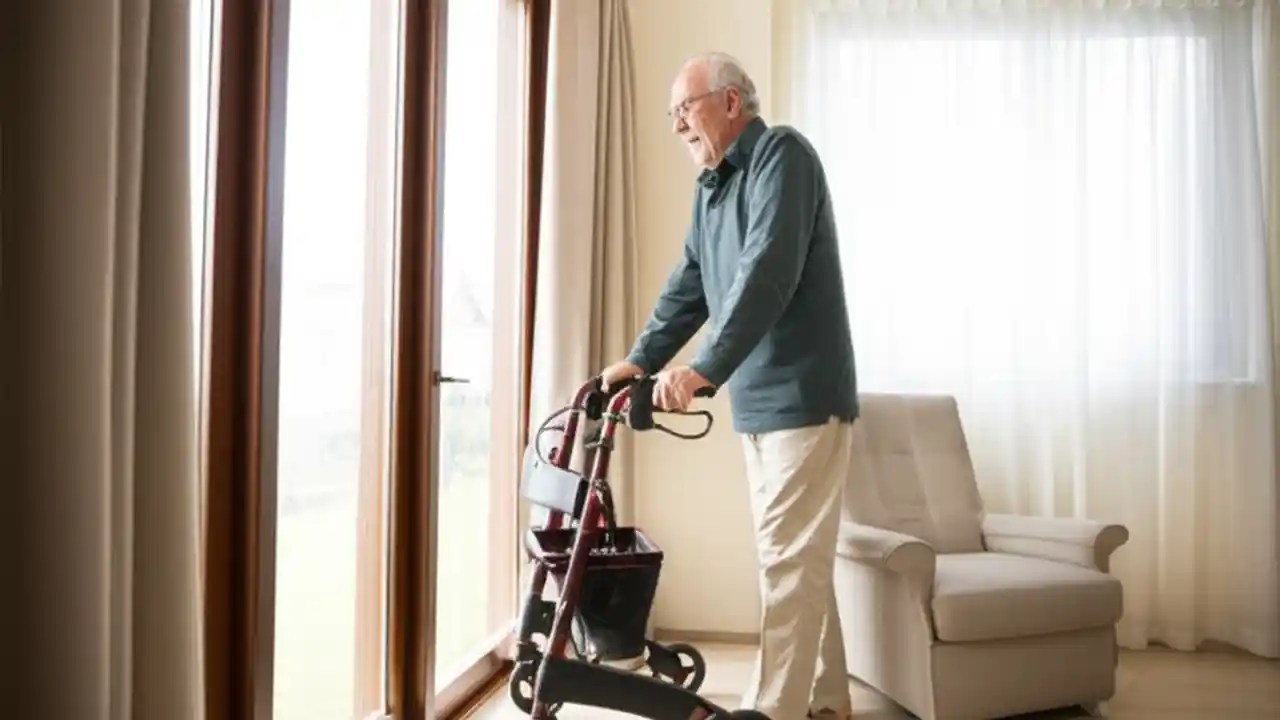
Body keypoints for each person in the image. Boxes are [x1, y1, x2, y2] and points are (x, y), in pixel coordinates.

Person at [600, 52, 859, 720]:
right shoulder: (710, 189)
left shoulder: (781, 157)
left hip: (803, 396)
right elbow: (690, 285)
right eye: (672, 114)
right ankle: (827, 701)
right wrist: (640, 359)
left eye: (685, 107)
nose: (676, 123)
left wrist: (702, 368)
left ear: (731, 103)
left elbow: (766, 271)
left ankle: (772, 710)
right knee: (798, 560)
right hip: (757, 405)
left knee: (786, 562)